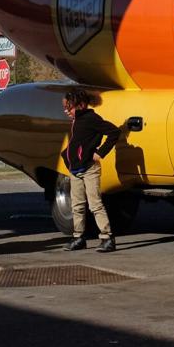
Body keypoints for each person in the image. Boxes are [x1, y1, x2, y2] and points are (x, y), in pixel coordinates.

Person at [61, 87, 119, 252]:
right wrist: (66, 157)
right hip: (75, 170)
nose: (66, 111)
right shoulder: (76, 121)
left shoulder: (91, 119)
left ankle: (107, 238)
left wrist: (100, 152)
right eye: (65, 107)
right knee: (77, 205)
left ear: (80, 105)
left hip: (89, 168)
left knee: (95, 204)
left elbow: (114, 132)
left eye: (69, 107)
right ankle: (78, 237)